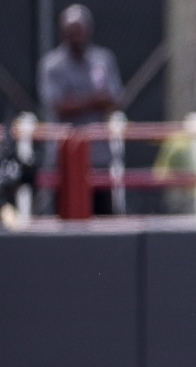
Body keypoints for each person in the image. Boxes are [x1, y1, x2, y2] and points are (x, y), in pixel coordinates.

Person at [37, 4, 123, 216]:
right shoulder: (52, 65)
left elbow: (114, 99)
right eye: (71, 31)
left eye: (79, 30)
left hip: (98, 156)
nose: (76, 37)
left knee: (103, 217)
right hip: (63, 157)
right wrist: (94, 99)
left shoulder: (103, 60)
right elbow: (58, 105)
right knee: (64, 218)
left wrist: (79, 100)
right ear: (62, 33)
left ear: (88, 30)